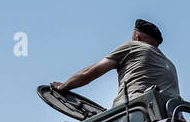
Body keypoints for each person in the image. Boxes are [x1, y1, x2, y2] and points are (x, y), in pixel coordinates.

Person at [51, 18, 180, 106]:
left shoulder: (133, 46)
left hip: (135, 114)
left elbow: (88, 74)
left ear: (137, 37)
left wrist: (63, 87)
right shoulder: (170, 64)